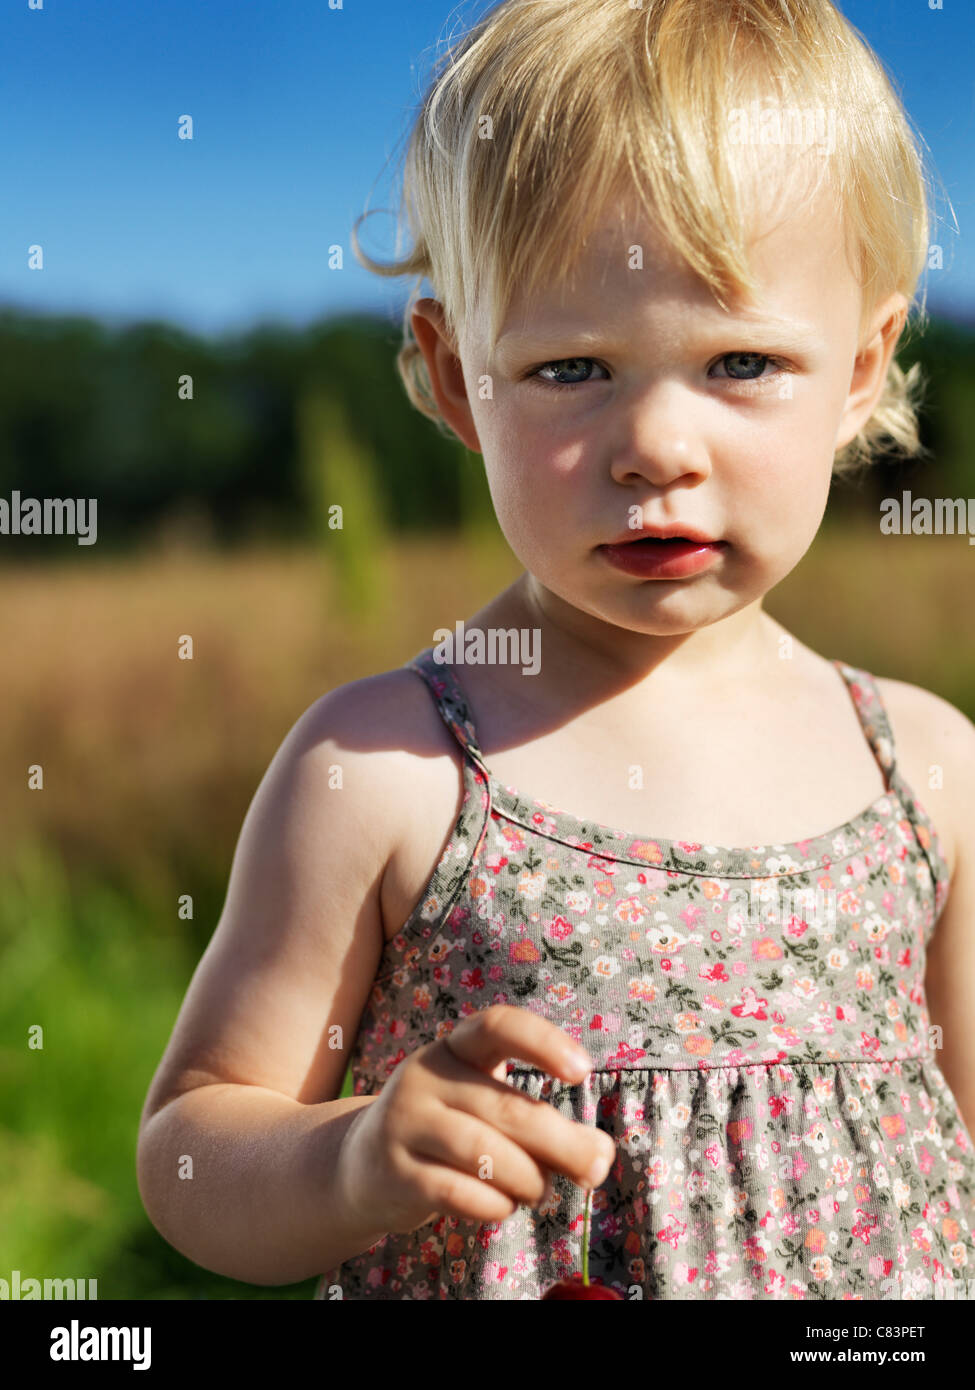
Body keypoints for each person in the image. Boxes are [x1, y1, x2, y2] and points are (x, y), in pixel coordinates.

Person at [136, 0, 975, 1300]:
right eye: (573, 368)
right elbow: (193, 1151)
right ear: (457, 374)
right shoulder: (388, 767)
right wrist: (355, 1156)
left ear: (863, 367)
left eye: (742, 360)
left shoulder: (925, 765)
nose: (658, 444)